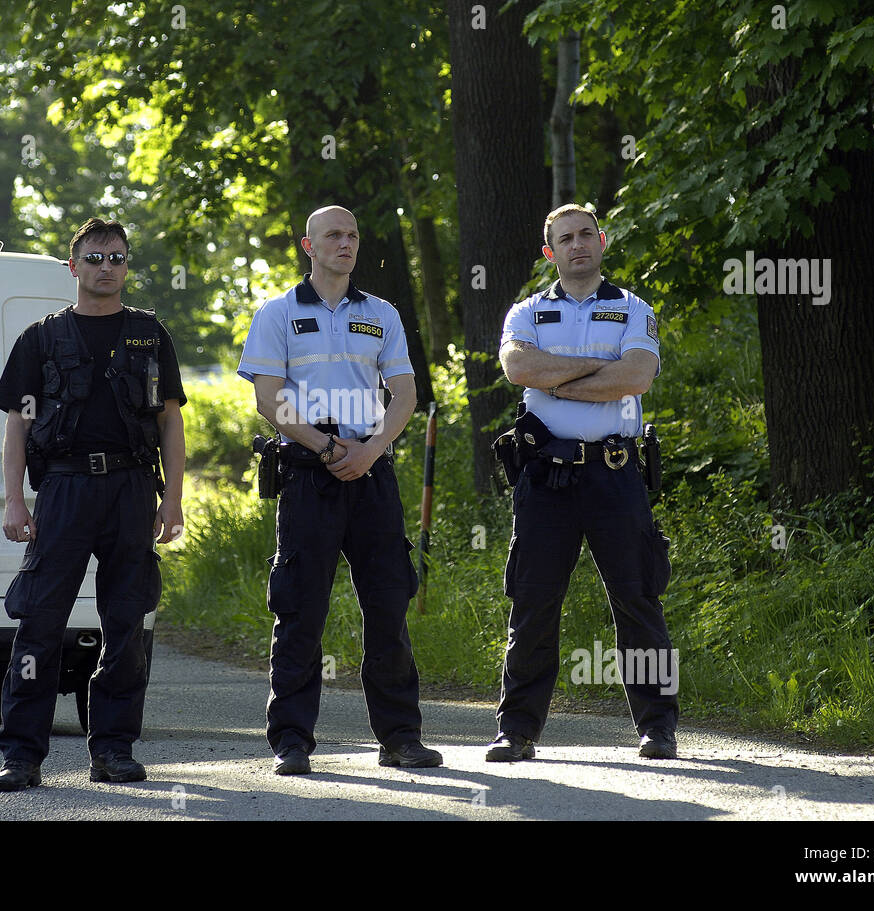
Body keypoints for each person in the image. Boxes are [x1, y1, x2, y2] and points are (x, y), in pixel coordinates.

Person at [237, 205, 441, 776]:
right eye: (333, 235)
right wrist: (327, 450)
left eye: (352, 234)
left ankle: (400, 737)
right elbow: (270, 397)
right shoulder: (277, 313)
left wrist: (369, 450)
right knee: (300, 609)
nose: (345, 243)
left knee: (387, 606)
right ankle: (292, 740)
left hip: (372, 472)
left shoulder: (383, 314)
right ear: (309, 245)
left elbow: (404, 393)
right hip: (308, 474)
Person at [0, 217, 186, 791]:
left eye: (117, 258)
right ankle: (22, 756)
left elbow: (170, 422)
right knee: (40, 623)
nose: (107, 268)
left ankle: (114, 750)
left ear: (128, 267)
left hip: (130, 489)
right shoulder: (41, 338)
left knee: (126, 623)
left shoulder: (150, 335)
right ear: (73, 267)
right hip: (65, 491)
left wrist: (172, 500)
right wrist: (14, 503)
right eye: (95, 258)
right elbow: (18, 426)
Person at [488, 203, 678, 763]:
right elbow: (520, 370)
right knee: (533, 603)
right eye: (565, 238)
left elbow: (637, 376)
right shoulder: (526, 312)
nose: (578, 245)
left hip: (616, 474)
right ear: (551, 252)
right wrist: (597, 373)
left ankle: (658, 727)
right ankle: (517, 730)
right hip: (545, 479)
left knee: (639, 599)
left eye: (586, 235)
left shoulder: (632, 308)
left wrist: (558, 377)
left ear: (602, 241)